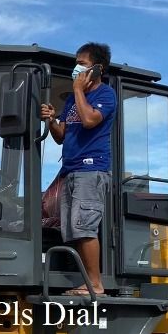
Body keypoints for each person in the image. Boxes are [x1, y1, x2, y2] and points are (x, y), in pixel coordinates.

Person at [40, 42, 116, 296]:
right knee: (72, 230)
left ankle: (95, 284)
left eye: (82, 64)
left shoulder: (105, 95)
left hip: (91, 169)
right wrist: (52, 119)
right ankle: (84, 279)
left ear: (97, 69)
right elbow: (61, 135)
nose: (77, 69)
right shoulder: (75, 99)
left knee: (84, 226)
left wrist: (77, 89)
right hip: (70, 171)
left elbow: (90, 120)